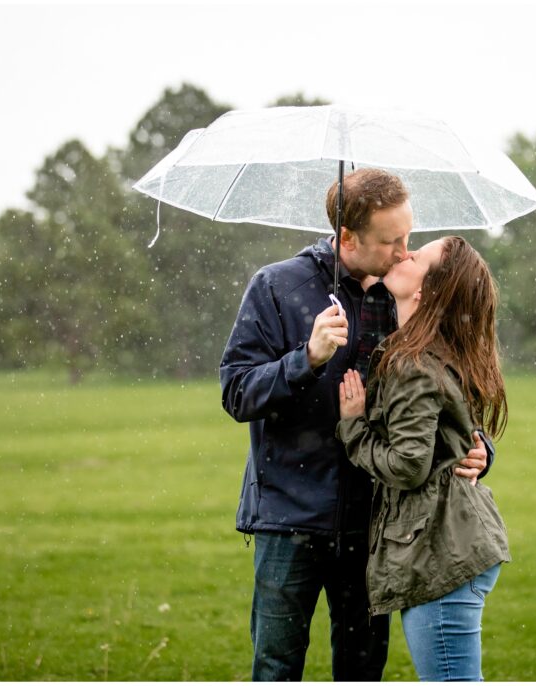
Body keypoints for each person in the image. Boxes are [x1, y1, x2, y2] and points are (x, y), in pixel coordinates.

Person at [219, 169, 491, 681]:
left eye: (409, 239)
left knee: (364, 671)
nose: (404, 253)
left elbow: (445, 389)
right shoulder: (278, 287)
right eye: (392, 241)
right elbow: (236, 393)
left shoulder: (404, 294)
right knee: (276, 667)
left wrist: (480, 449)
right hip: (288, 521)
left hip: (377, 525)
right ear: (348, 237)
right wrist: (307, 358)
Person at [336, 236, 511, 682]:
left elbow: (410, 465)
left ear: (427, 292)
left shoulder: (413, 363)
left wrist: (354, 427)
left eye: (419, 255)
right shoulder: (432, 353)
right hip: (450, 543)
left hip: (441, 552)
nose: (404, 253)